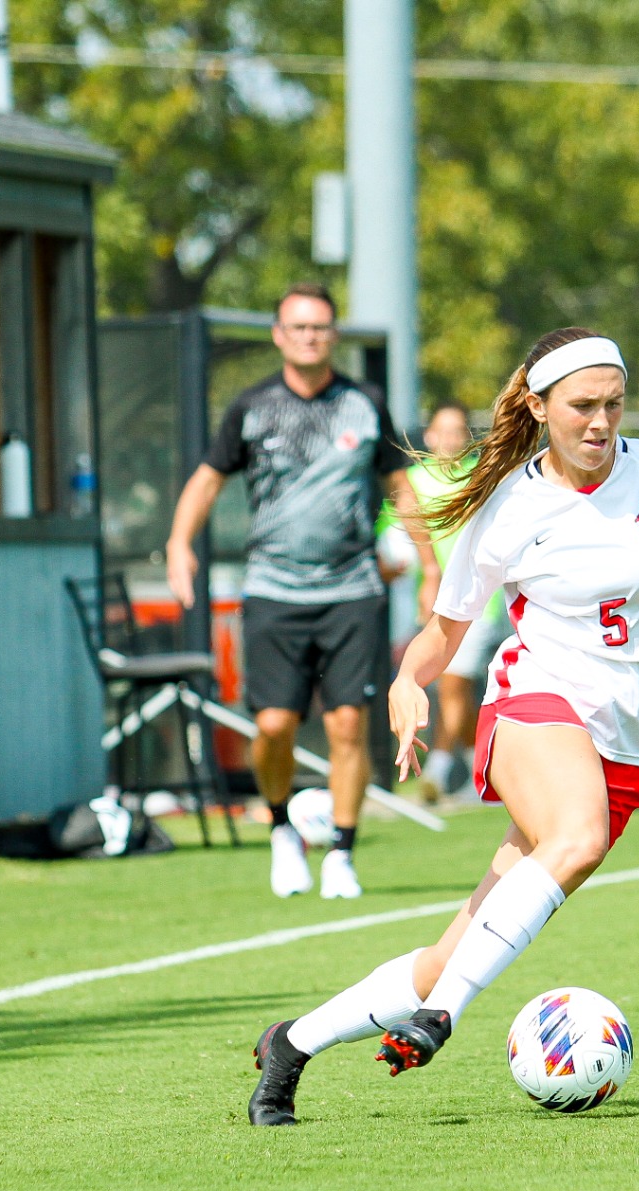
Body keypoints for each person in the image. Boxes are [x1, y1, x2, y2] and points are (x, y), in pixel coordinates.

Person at [245, 328, 639, 1125]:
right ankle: (447, 1017)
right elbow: (445, 630)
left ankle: (292, 1043)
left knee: (448, 955)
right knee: (576, 839)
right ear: (538, 407)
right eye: (581, 406)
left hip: (631, 736)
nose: (601, 422)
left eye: (613, 404)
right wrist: (407, 680)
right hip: (536, 699)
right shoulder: (508, 508)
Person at [166, 283, 436, 901]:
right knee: (273, 725)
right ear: (278, 335)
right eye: (298, 327)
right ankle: (283, 829)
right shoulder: (251, 407)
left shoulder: (365, 403)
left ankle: (341, 851)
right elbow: (207, 480)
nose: (310, 337)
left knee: (346, 724)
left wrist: (430, 569)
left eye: (320, 327)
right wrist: (180, 542)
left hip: (351, 589)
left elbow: (401, 488)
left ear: (333, 336)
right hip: (273, 590)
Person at [389, 401, 514, 801]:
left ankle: (440, 771)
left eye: (456, 431)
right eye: (441, 431)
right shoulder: (410, 481)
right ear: (428, 437)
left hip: (478, 602)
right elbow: (390, 537)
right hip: (426, 606)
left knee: (455, 686)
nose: (448, 440)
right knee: (443, 687)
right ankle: (476, 768)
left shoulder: (480, 477)